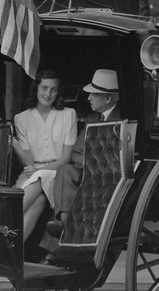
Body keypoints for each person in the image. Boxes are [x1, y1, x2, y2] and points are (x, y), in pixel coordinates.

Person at [45, 69, 121, 239]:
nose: (88, 98)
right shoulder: (91, 119)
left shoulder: (122, 120)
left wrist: (94, 164)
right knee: (65, 170)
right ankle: (64, 221)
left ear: (107, 98)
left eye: (93, 95)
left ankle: (52, 252)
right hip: (87, 172)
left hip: (108, 177)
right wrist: (89, 163)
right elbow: (76, 153)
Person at [12, 69, 77, 241]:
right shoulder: (22, 118)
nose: (48, 94)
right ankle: (13, 248)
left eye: (53, 89)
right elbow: (29, 162)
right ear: (36, 89)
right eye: (44, 88)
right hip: (31, 172)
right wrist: (16, 147)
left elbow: (66, 158)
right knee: (39, 201)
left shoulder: (68, 115)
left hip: (58, 173)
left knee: (41, 177)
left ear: (58, 92)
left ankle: (5, 218)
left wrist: (38, 171)